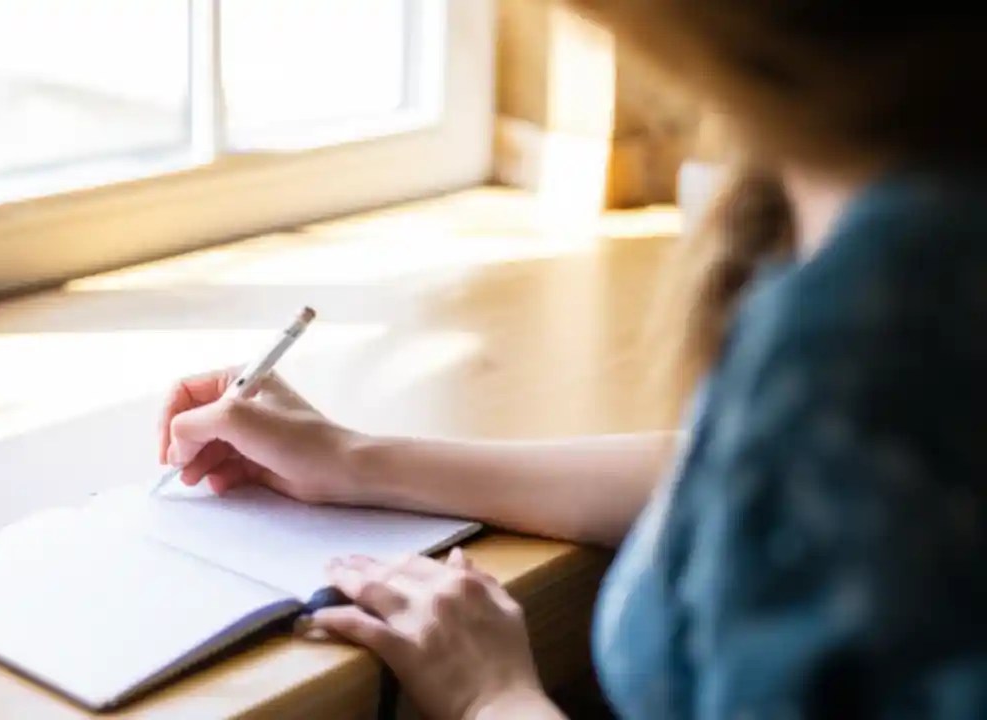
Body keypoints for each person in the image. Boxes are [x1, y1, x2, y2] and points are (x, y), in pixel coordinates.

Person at [158, 3, 987, 718]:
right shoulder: (906, 210)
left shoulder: (875, 319)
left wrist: (495, 701)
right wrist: (356, 460)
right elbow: (734, 482)